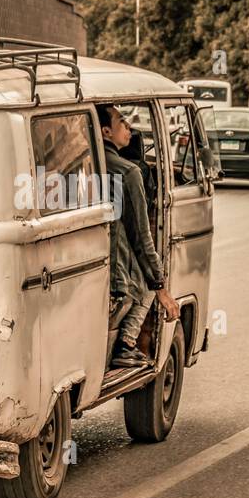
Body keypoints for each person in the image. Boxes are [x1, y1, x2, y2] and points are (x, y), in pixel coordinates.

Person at [97, 104, 180, 367]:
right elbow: (143, 237)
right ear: (106, 130)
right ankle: (126, 344)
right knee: (147, 288)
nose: (129, 128)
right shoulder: (127, 172)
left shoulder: (77, 166)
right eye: (123, 122)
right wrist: (160, 287)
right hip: (116, 279)